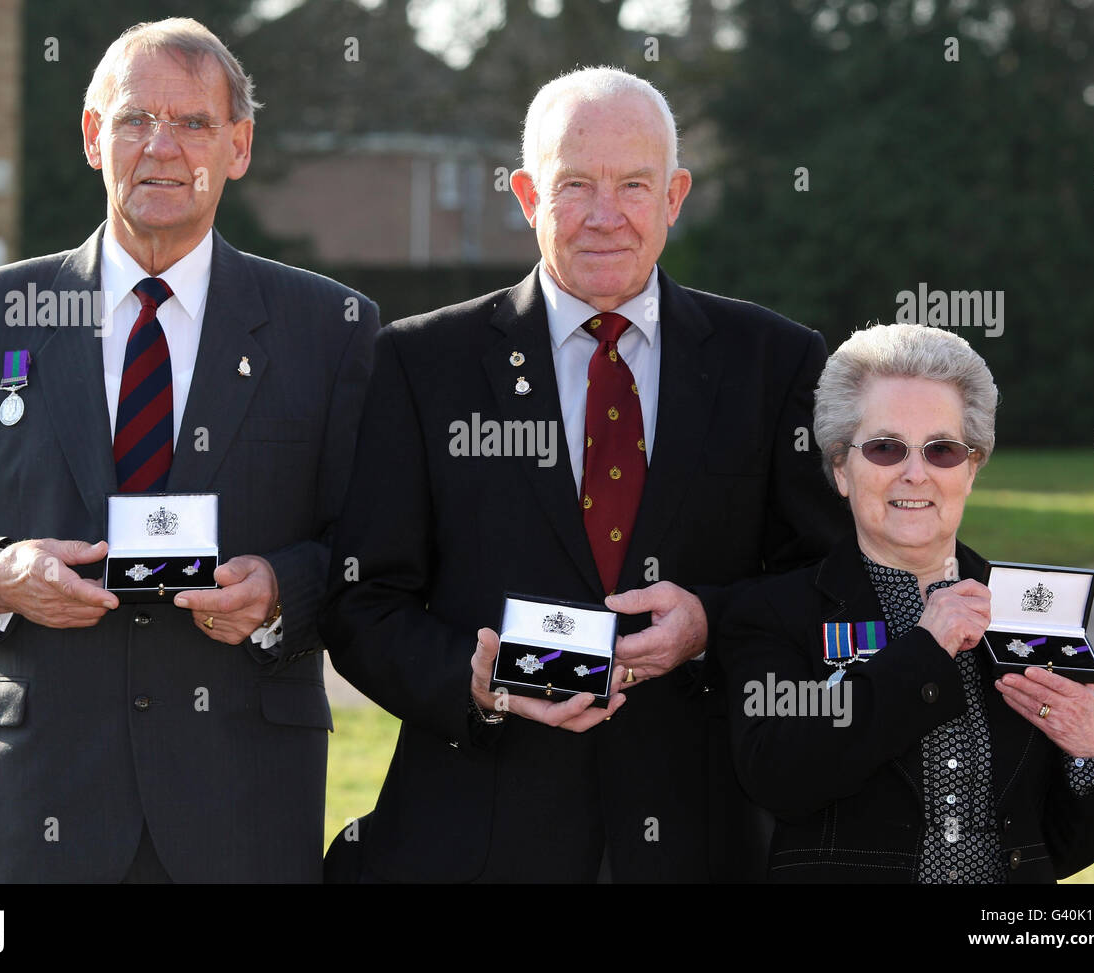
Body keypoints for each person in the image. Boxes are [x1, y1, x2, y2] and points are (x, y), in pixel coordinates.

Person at [0, 18, 379, 882]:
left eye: (192, 123)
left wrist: (281, 591)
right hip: (24, 806)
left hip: (238, 812)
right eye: (135, 119)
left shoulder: (329, 329)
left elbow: (375, 553)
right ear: (91, 135)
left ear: (239, 145)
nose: (162, 147)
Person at [318, 67, 849, 882]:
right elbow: (362, 600)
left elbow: (834, 584)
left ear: (674, 196)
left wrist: (711, 621)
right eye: (575, 185)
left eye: (634, 184)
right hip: (480, 836)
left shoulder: (774, 363)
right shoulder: (421, 363)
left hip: (702, 838)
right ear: (528, 196)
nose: (606, 215)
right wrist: (477, 681)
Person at [723, 323, 1094, 882]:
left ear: (972, 468)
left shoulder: (1025, 607)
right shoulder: (775, 613)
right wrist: (926, 648)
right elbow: (780, 777)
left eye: (942, 450)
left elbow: (1058, 845)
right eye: (886, 447)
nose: (915, 473)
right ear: (842, 468)